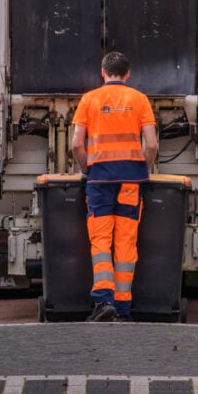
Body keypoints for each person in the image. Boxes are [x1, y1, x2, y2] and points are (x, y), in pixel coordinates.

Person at [71, 51, 158, 323]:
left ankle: (103, 300)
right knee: (126, 242)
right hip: (131, 180)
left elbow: (76, 144)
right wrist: (144, 168)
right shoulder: (140, 99)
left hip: (100, 180)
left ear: (102, 72)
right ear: (128, 73)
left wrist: (87, 168)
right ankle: (122, 308)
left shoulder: (89, 100)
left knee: (100, 240)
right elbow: (151, 144)